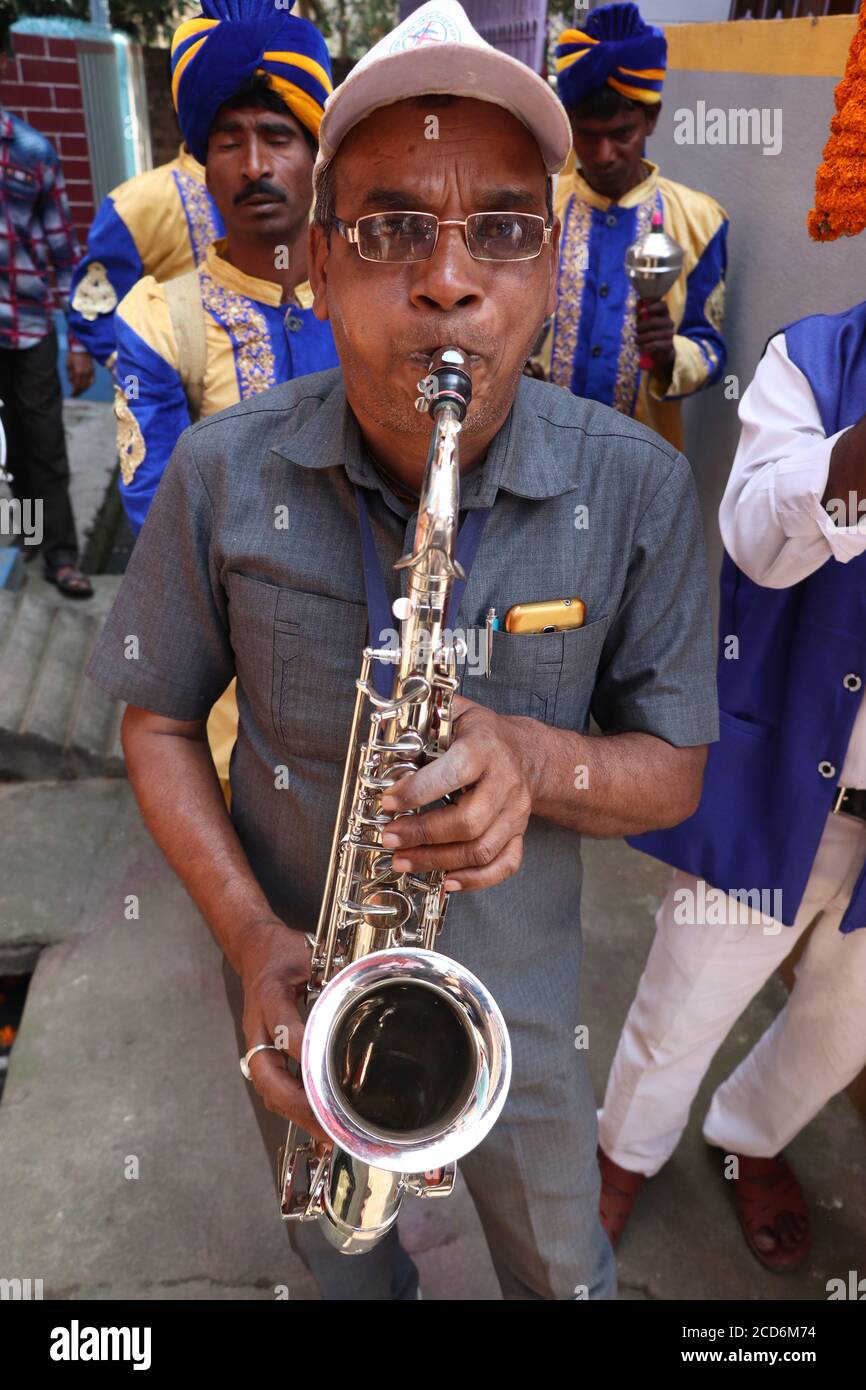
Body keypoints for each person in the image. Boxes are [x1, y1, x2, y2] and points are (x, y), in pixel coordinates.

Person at [85, 0, 718, 1301]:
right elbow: (154, 721)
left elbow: (674, 770)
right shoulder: (218, 470)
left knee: (561, 1265)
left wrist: (535, 757)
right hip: (295, 992)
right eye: (387, 231)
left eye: (500, 229)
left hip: (523, 1022)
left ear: (547, 271)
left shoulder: (641, 487)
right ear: (318, 263)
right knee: (343, 1257)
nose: (447, 278)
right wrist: (252, 935)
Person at [596, 10, 866, 1273]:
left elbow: (684, 341)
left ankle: (750, 1135)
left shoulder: (687, 221)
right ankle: (620, 1154)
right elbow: (759, 538)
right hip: (778, 770)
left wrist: (671, 347)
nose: (615, 139)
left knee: (838, 1027)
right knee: (683, 998)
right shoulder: (814, 366)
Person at [111, 0, 336, 803]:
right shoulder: (157, 321)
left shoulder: (380, 297)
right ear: (201, 162)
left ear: (318, 155)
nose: (253, 164)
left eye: (279, 136)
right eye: (227, 140)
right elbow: (161, 522)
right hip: (234, 682)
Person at [533, 3, 728, 453]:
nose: (602, 154)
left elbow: (712, 350)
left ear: (652, 119)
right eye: (586, 135)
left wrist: (669, 355)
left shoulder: (702, 222)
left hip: (638, 461)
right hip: (534, 447)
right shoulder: (538, 204)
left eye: (621, 133)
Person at [0, 69, 94, 597]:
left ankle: (60, 556)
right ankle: (25, 534)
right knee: (9, 446)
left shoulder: (33, 151)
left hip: (28, 326)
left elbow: (63, 254)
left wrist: (78, 341)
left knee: (43, 441)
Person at [68, 146, 224, 369]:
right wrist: (137, 377)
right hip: (175, 383)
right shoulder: (137, 201)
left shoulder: (277, 193)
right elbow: (93, 306)